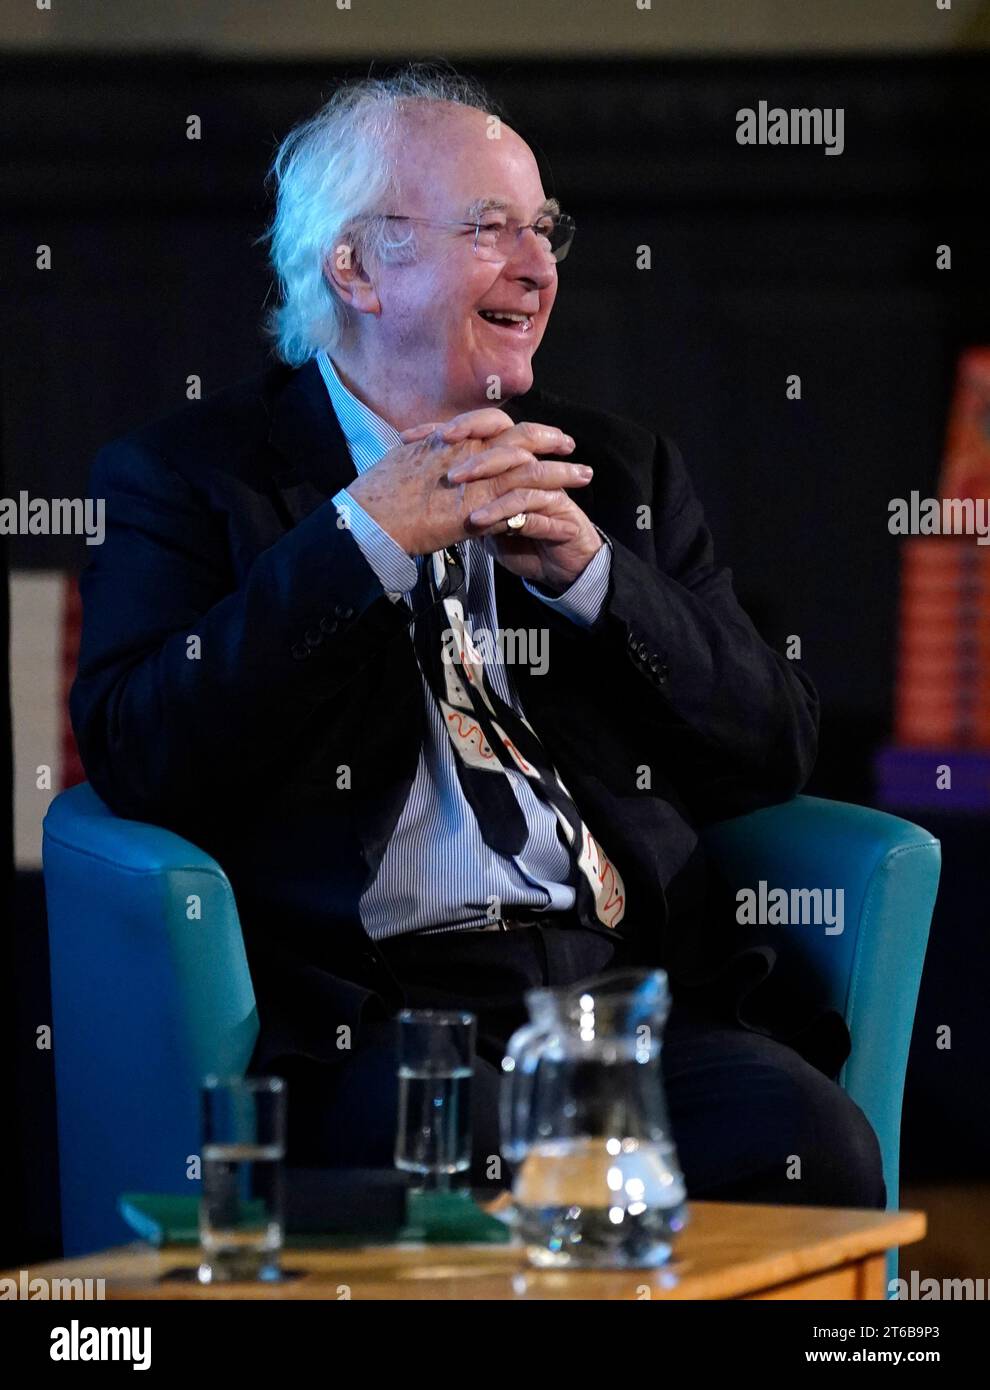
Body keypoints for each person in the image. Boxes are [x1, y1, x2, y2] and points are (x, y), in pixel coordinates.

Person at [70, 66, 884, 1209]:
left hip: (616, 995)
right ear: (358, 267)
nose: (540, 266)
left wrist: (596, 579)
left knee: (811, 1142)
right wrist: (360, 539)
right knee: (481, 1174)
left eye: (544, 229)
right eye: (491, 229)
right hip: (375, 1013)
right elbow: (141, 751)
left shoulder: (616, 469)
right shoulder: (188, 479)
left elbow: (772, 746)